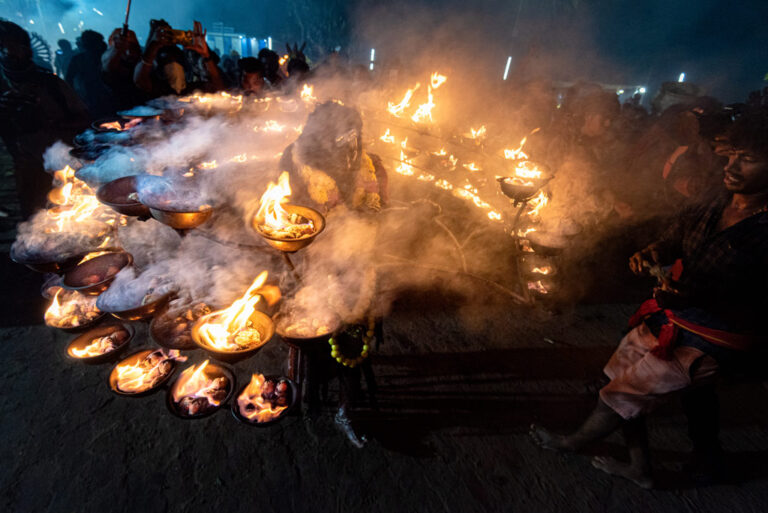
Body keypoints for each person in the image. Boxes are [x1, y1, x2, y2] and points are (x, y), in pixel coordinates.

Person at [530, 108, 768, 488]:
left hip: (714, 336)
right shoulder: (716, 198)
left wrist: (698, 295)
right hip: (671, 316)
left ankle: (571, 443)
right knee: (619, 378)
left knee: (618, 394)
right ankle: (641, 468)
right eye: (732, 155)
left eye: (749, 159)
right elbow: (677, 235)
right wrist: (655, 250)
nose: (732, 167)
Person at [0, 20, 89, 218]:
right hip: (24, 166)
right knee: (33, 217)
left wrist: (51, 122)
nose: (8, 53)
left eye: (14, 48)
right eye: (4, 49)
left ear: (27, 50)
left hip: (61, 162)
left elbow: (84, 118)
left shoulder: (51, 83)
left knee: (70, 214)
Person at [134, 20, 225, 98]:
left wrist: (206, 55)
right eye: (167, 61)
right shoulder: (160, 90)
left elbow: (218, 88)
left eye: (177, 61)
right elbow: (140, 81)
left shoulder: (190, 90)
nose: (174, 68)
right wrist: (153, 47)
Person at [65, 29, 114, 118]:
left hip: (92, 97)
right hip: (101, 97)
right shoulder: (108, 56)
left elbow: (69, 79)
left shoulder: (79, 59)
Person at [101, 27, 145, 111]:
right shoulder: (107, 60)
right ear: (110, 43)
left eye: (133, 46)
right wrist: (117, 49)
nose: (128, 52)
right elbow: (108, 66)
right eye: (124, 46)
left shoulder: (140, 62)